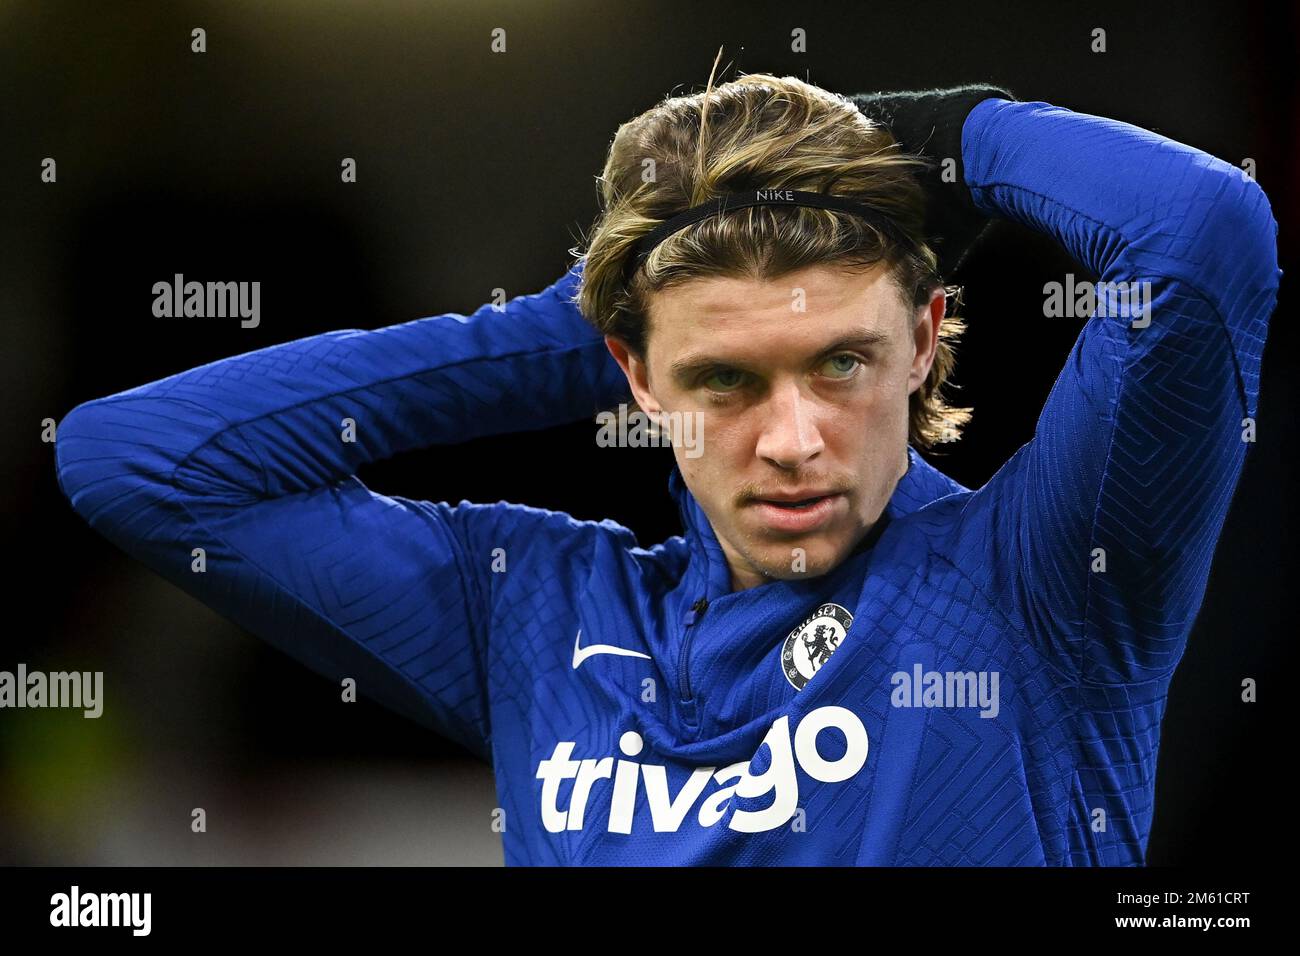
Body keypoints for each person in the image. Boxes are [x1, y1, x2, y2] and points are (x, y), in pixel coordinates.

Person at [54, 70, 1280, 865]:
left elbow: (1203, 232)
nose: (793, 437)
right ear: (636, 381)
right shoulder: (529, 609)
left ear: (922, 340)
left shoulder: (1041, 582)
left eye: (839, 364)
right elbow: (135, 462)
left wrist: (948, 134)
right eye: (724, 378)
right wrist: (566, 330)